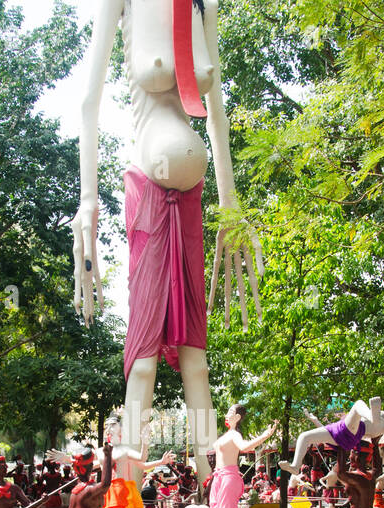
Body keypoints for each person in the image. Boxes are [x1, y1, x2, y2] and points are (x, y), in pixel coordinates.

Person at [75, 0, 262, 481]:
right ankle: (126, 494)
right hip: (148, 193)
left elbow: (215, 111)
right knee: (142, 363)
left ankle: (213, 485)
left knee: (196, 362)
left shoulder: (204, 5)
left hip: (194, 201)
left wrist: (231, 206)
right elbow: (87, 102)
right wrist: (87, 202)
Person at [279, 395, 384, 476]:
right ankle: (295, 466)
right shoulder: (381, 426)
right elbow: (324, 432)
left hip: (349, 432)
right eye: (379, 413)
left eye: (381, 413)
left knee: (358, 404)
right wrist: (314, 420)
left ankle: (372, 415)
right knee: (304, 436)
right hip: (338, 435)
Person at [209, 404, 276, 508]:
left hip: (228, 477)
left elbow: (245, 447)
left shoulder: (235, 435)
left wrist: (264, 436)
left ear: (237, 416)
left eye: (230, 412)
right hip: (218, 477)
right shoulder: (228, 434)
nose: (226, 415)